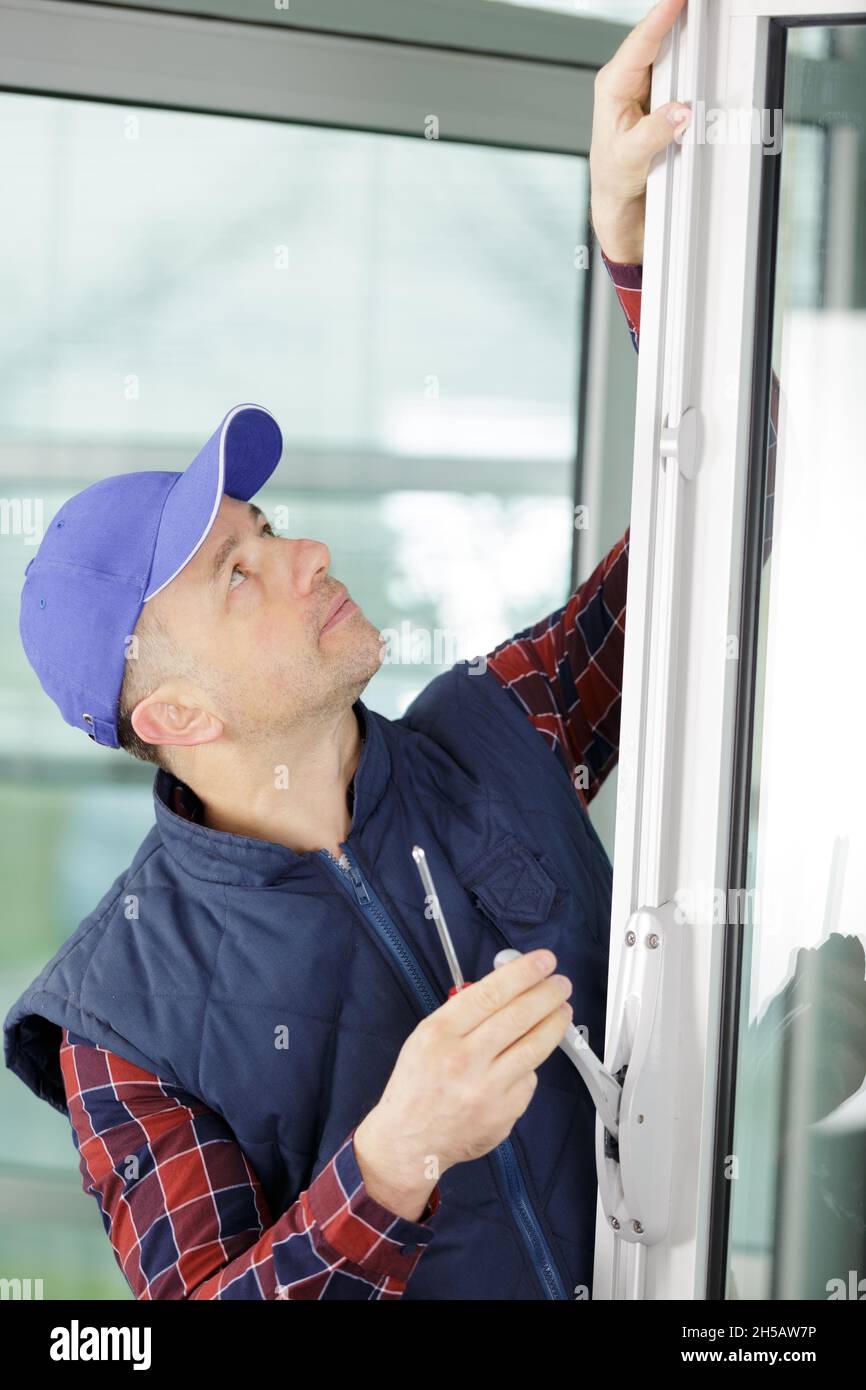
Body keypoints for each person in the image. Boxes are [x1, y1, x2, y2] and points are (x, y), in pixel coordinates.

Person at [5, 0, 690, 1300]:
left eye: (268, 527)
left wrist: (633, 245)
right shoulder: (117, 1022)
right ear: (175, 715)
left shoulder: (496, 725)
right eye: (238, 572)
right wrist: (394, 1155)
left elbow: (719, 521)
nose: (306, 554)